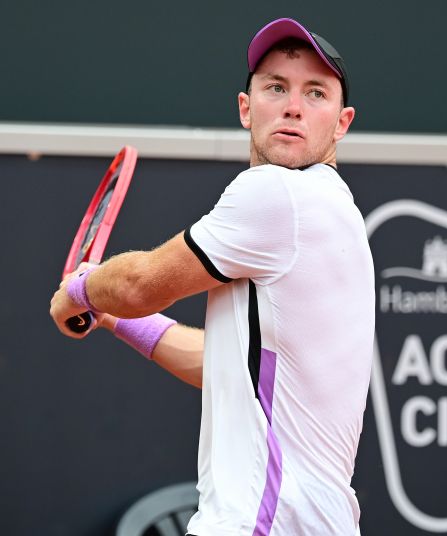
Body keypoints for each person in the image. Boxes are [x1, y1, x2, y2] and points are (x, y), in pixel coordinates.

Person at [49, 17, 374, 536]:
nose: (293, 105)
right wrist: (113, 319)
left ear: (342, 122)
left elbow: (138, 285)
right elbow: (223, 366)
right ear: (246, 108)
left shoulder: (276, 193)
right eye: (276, 87)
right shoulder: (337, 215)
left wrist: (80, 289)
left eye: (315, 93)